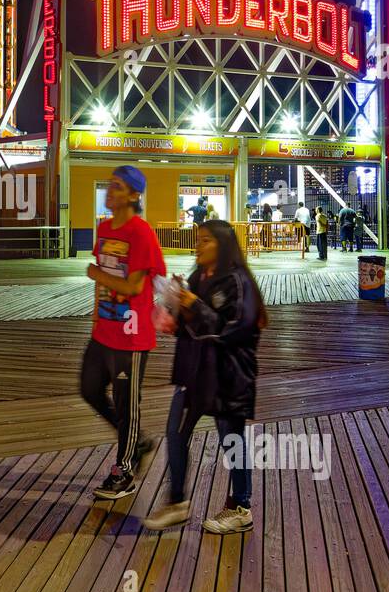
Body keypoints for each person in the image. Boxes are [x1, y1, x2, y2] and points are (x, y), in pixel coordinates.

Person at [145, 220, 267, 533]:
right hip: (194, 371)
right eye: (198, 240)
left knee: (231, 439)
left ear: (223, 245)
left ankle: (241, 506)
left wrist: (195, 307)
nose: (198, 246)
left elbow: (234, 331)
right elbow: (193, 327)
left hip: (227, 375)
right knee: (176, 433)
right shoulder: (198, 277)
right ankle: (176, 501)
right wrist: (174, 308)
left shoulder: (239, 283)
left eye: (206, 240)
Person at [80, 165, 167, 501]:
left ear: (134, 195)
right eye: (109, 185)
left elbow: (133, 286)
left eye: (117, 186)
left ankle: (125, 470)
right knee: (89, 389)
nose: (109, 191)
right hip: (104, 329)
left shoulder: (141, 233)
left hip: (131, 334)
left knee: (127, 403)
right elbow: (102, 277)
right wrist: (94, 317)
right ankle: (138, 440)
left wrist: (95, 275)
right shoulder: (104, 229)